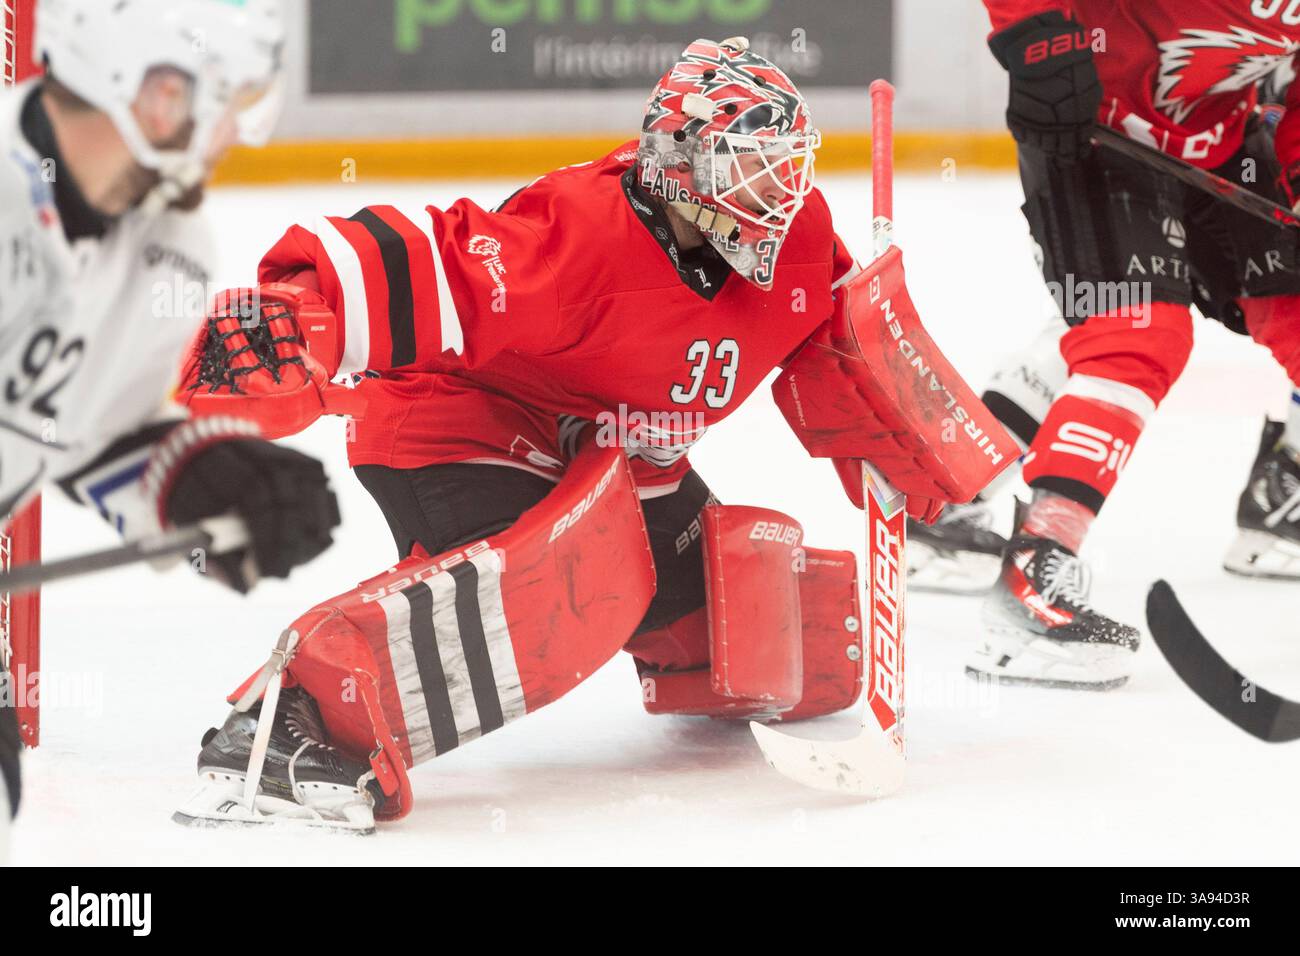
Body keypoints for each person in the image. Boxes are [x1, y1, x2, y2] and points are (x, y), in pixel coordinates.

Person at [172, 37, 993, 832]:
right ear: (678, 168)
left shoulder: (800, 236)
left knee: (758, 623)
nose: (776, 190)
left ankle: (675, 651)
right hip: (451, 420)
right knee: (566, 583)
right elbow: (444, 266)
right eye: (747, 167)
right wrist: (302, 320)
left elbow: (843, 358)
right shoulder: (585, 238)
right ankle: (291, 720)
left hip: (610, 455)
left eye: (784, 163)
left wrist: (922, 470)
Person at [0, 0, 342, 857]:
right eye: (204, 105)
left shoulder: (171, 247)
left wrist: (195, 477)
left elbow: (84, 435)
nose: (219, 138)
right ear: (142, 85)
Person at [957, 1, 1300, 689]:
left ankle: (947, 482)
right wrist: (1036, 35)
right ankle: (1034, 579)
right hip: (1096, 129)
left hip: (1224, 145)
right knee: (1136, 332)